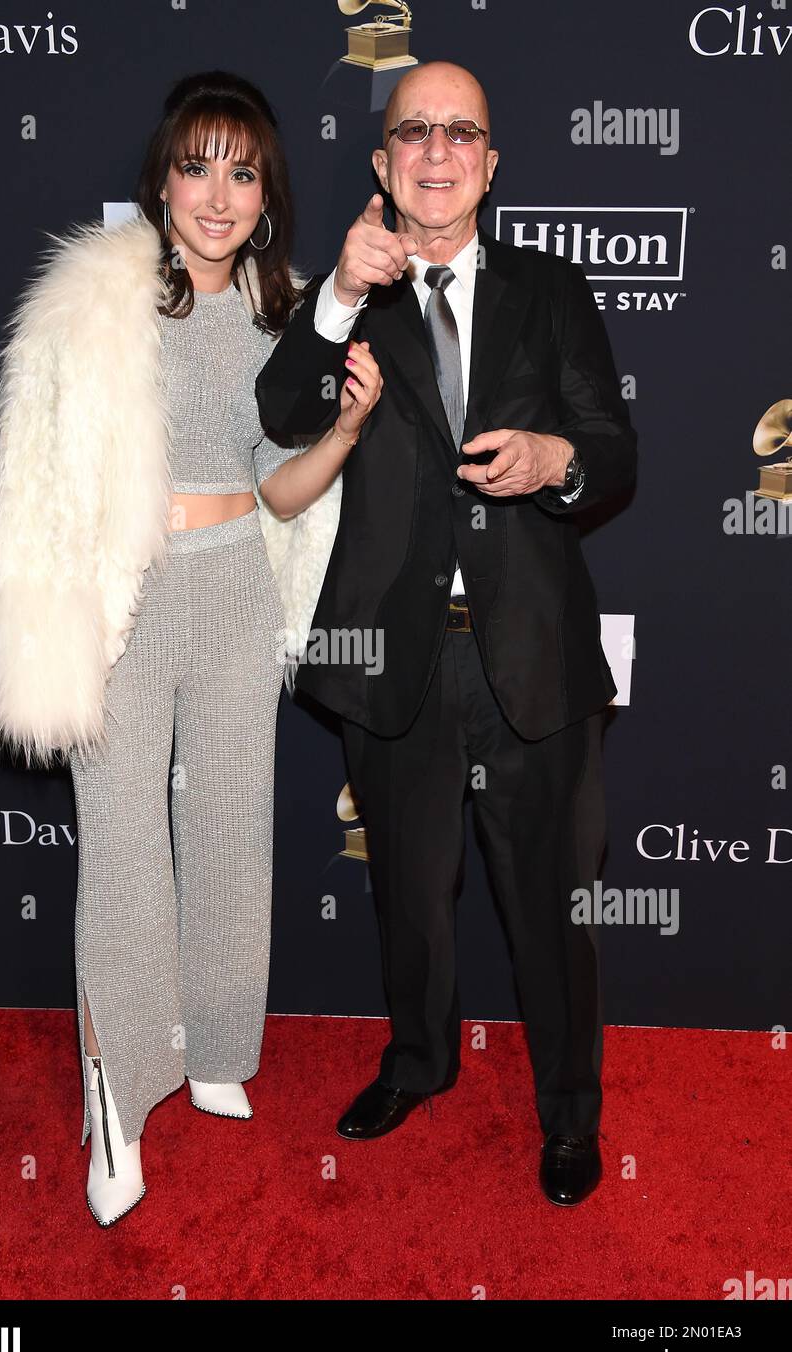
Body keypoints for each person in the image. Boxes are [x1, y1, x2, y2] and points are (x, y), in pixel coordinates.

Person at [0, 70, 382, 1227]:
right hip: (127, 601)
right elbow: (43, 481)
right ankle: (114, 1095)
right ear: (160, 180)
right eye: (197, 165)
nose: (217, 193)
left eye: (242, 171)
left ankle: (211, 1043)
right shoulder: (94, 303)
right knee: (117, 855)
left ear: (266, 195)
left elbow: (277, 485)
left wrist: (345, 428)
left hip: (234, 598)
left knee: (225, 832)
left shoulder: (280, 316)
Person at [256, 61, 637, 1206]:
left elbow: (610, 449)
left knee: (551, 905)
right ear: (380, 164)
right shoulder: (343, 297)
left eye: (457, 132)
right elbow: (277, 420)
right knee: (408, 892)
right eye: (410, 130)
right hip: (387, 652)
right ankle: (417, 1061)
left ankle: (569, 1112)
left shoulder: (550, 289)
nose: (434, 149)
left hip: (529, 650)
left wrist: (553, 461)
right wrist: (329, 299)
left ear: (487, 163)